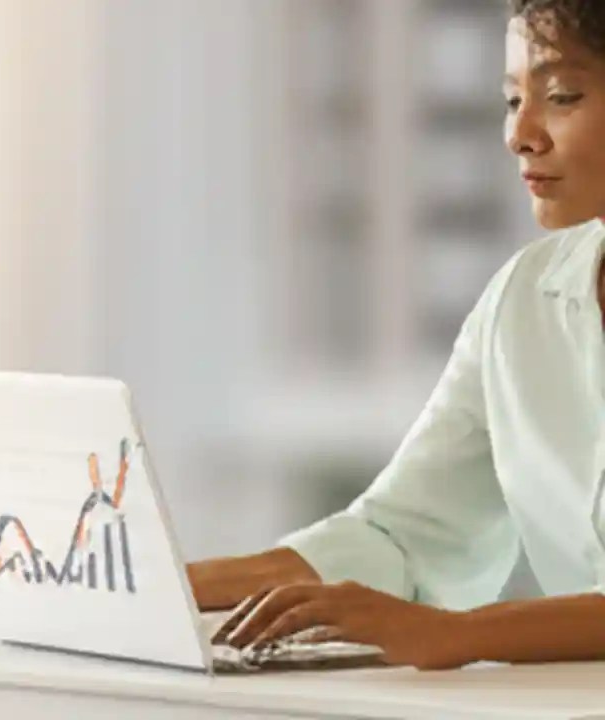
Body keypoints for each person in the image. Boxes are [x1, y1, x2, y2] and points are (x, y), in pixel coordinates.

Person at [197, 0, 605, 670]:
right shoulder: (523, 298)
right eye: (510, 100)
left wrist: (453, 634)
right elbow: (402, 533)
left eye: (561, 96)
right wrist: (174, 586)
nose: (520, 134)